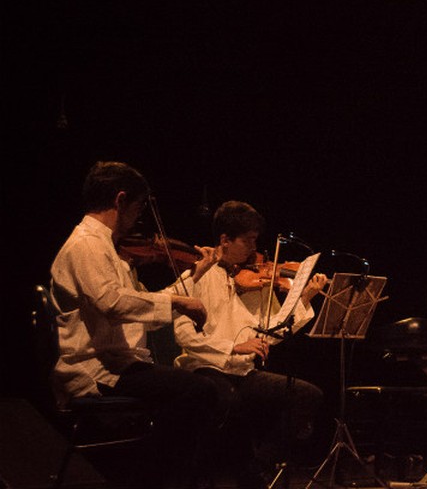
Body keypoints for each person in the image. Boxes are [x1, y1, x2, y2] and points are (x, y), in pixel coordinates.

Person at [49, 160, 221, 489]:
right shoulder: (87, 244)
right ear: (121, 199)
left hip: (114, 362)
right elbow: (113, 304)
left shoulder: (105, 248)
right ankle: (150, 479)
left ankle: (159, 476)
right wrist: (179, 302)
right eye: (139, 205)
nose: (139, 215)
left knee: (198, 390)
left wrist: (191, 278)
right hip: (93, 368)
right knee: (199, 391)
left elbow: (141, 308)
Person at [173, 200, 330, 489]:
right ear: (224, 240)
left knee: (307, 395)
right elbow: (184, 335)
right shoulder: (195, 277)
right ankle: (197, 475)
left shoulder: (248, 282)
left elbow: (269, 333)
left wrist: (304, 298)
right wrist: (232, 347)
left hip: (242, 372)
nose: (253, 250)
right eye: (248, 241)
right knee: (228, 401)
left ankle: (256, 467)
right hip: (206, 369)